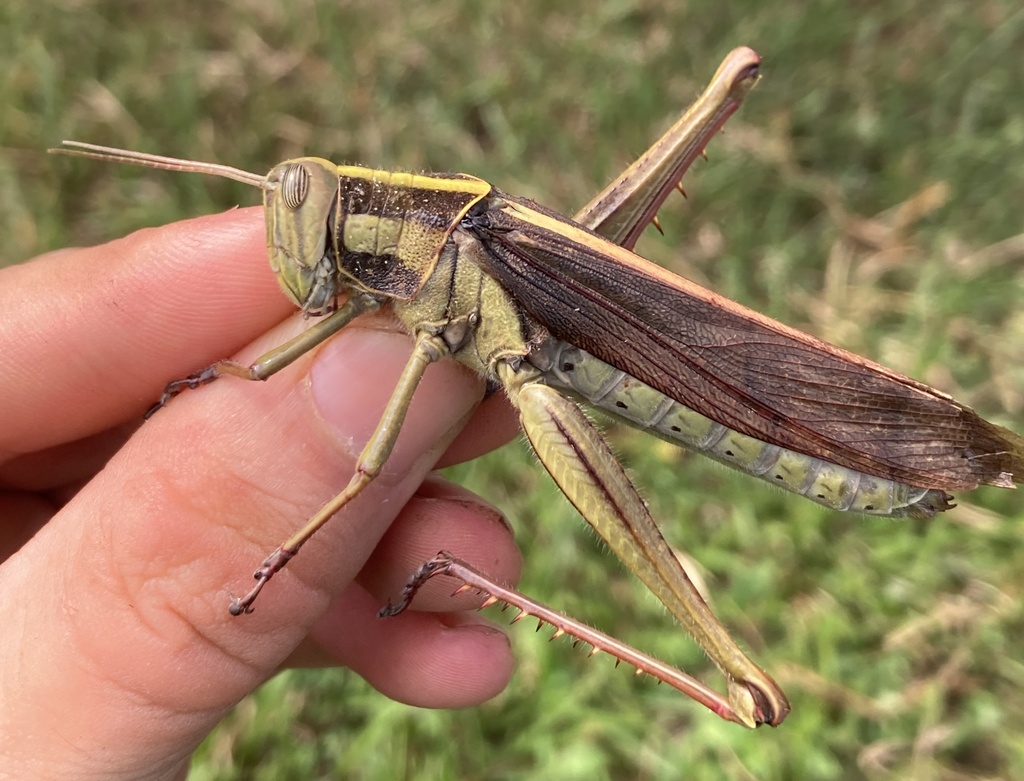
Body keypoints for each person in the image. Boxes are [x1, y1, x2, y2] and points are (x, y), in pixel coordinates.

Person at [0, 207, 523, 779]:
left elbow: (363, 470)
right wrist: (233, 372)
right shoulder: (374, 294)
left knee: (364, 468)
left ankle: (285, 553)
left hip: (569, 347)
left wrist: (275, 557)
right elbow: (262, 368)